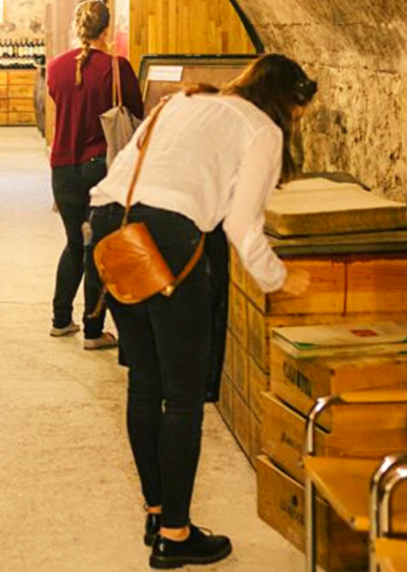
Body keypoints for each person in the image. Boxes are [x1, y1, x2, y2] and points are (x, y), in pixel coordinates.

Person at [86, 53, 317, 567]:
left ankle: (156, 510)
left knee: (144, 382)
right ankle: (175, 533)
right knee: (184, 397)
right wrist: (280, 278)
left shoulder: (183, 102)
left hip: (111, 229)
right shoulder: (262, 129)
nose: (296, 124)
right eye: (299, 115)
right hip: (167, 242)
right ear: (286, 101)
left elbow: (127, 166)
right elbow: (239, 226)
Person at [46, 0, 143, 350]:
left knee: (74, 242)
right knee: (97, 248)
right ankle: (92, 330)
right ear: (106, 30)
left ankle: (60, 319)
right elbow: (137, 112)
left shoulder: (55, 68)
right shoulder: (116, 68)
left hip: (61, 166)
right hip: (99, 166)